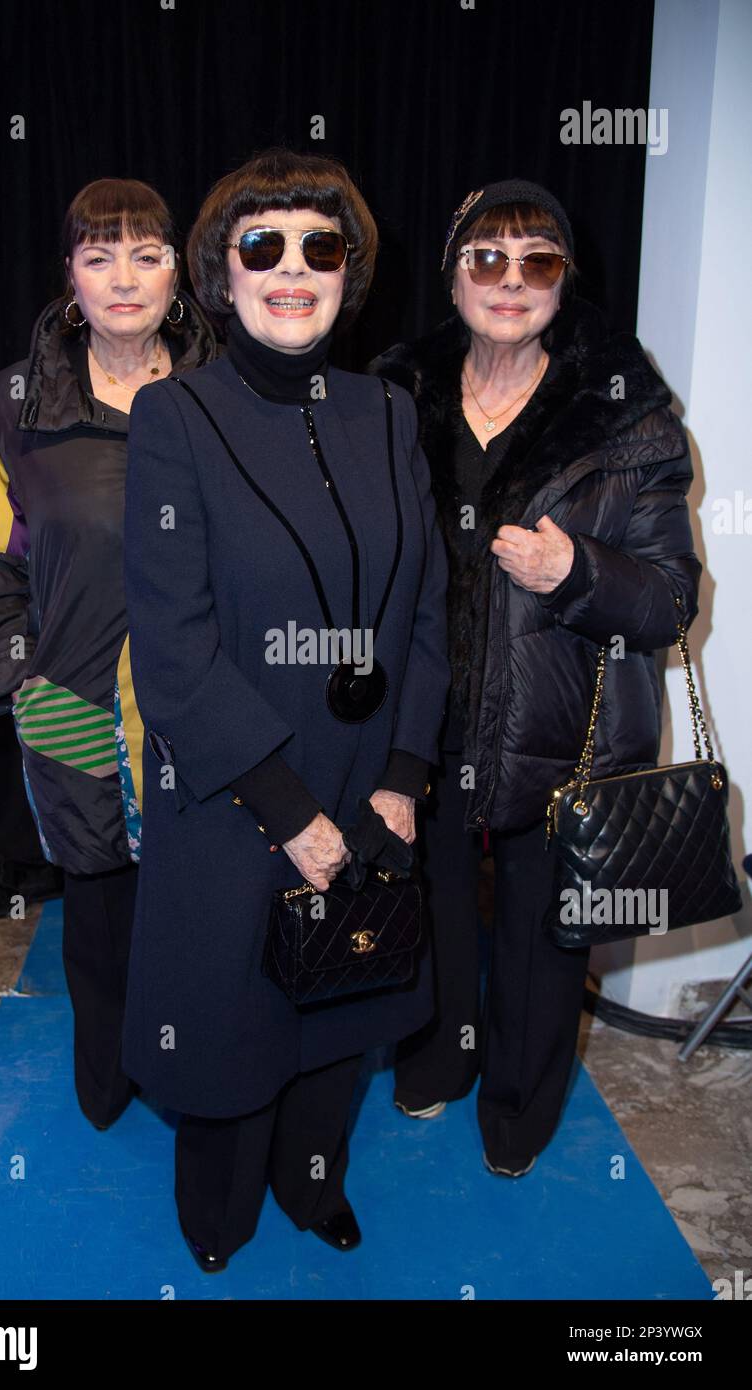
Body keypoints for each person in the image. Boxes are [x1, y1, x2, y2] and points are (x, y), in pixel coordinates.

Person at [122, 148, 449, 1270]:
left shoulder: (391, 412)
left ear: (348, 268)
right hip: (234, 793)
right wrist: (286, 811)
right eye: (264, 247)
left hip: (371, 789)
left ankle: (312, 1189)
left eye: (322, 246)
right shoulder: (175, 418)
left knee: (340, 1010)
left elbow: (424, 615)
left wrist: (403, 777)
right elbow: (171, 645)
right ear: (222, 272)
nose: (294, 269)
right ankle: (219, 1213)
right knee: (232, 1021)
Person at [369, 178, 701, 1176]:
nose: (509, 281)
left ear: (565, 278)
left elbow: (671, 604)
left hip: (558, 733)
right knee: (422, 905)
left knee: (537, 937)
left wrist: (577, 573)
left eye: (537, 261)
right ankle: (433, 1058)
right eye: (486, 258)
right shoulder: (394, 394)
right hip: (420, 721)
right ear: (452, 271)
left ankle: (516, 1108)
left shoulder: (624, 411)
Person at [0, 178, 218, 1130]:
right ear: (70, 277)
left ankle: (192, 1078)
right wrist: (20, 687)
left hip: (208, 704)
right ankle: (107, 1079)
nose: (123, 278)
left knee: (199, 907)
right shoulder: (17, 403)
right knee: (97, 914)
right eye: (100, 257)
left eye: (146, 254)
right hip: (75, 703)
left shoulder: (227, 388)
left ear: (179, 271)